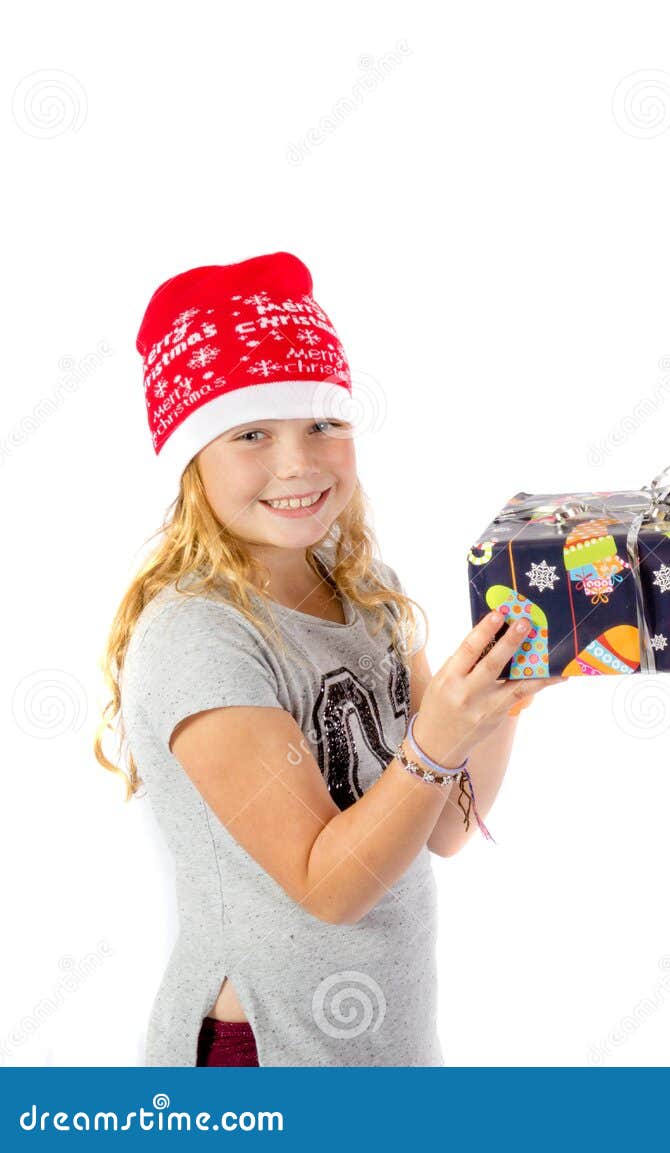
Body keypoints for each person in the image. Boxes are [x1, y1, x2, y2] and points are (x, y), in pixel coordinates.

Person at [93, 252, 565, 1065]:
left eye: (322, 422)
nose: (298, 462)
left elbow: (447, 827)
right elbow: (329, 887)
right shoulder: (199, 636)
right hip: (264, 1052)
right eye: (250, 434)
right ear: (191, 460)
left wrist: (500, 696)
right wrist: (437, 737)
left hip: (386, 1048)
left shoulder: (363, 591)